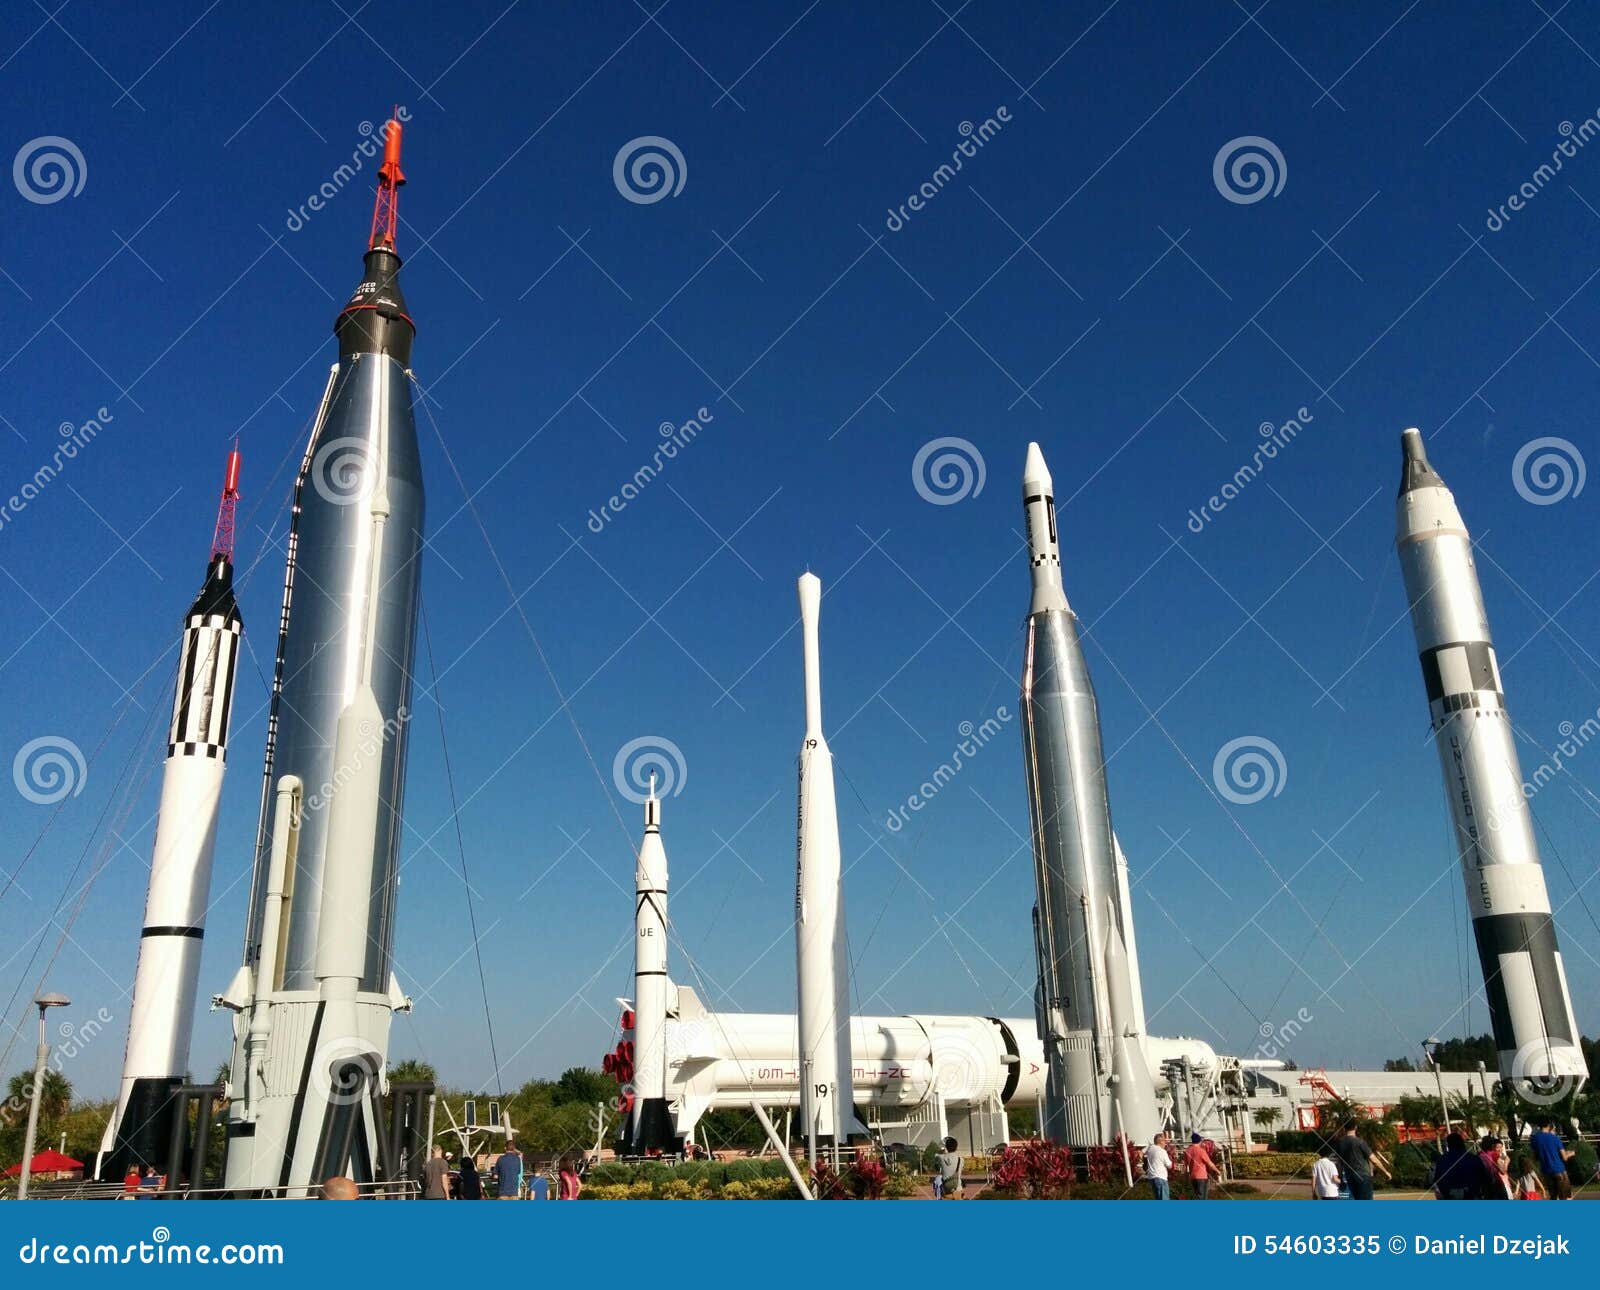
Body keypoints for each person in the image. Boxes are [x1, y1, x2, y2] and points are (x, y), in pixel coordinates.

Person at [1330, 1122, 1389, 1200]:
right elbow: (1374, 1160)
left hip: (1350, 1176)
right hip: (1363, 1176)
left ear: (1344, 1129)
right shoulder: (1360, 1142)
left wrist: (1340, 1178)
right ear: (1356, 1127)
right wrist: (1385, 1172)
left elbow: (1339, 1162)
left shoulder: (1339, 1143)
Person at [1432, 1132, 1491, 1199]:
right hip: (1470, 1195)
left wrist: (1445, 1192)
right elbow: (1484, 1177)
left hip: (1451, 1195)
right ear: (1462, 1143)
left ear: (1448, 1145)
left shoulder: (1441, 1160)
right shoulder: (1473, 1158)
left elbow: (1437, 1180)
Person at [1528, 1117, 1574, 1199]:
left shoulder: (1534, 1139)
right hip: (1559, 1170)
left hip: (1546, 1171)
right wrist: (1572, 1153)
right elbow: (1564, 1158)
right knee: (1564, 1197)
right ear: (1549, 1125)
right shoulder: (1555, 1138)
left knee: (1553, 1196)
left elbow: (1535, 1157)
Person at [1183, 1132, 1214, 1200]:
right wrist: (1217, 1171)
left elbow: (1185, 1166)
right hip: (1202, 1177)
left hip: (1192, 1177)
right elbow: (1209, 1163)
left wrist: (1185, 1177)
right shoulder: (1201, 1151)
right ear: (1199, 1141)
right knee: (1202, 1197)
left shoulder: (1187, 1151)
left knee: (1197, 1195)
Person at [1143, 1133, 1173, 1200]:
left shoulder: (1150, 1149)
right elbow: (1169, 1166)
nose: (1165, 1143)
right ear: (1161, 1141)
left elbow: (1141, 1153)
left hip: (1151, 1177)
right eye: (1164, 1141)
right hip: (1161, 1178)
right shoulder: (1162, 1151)